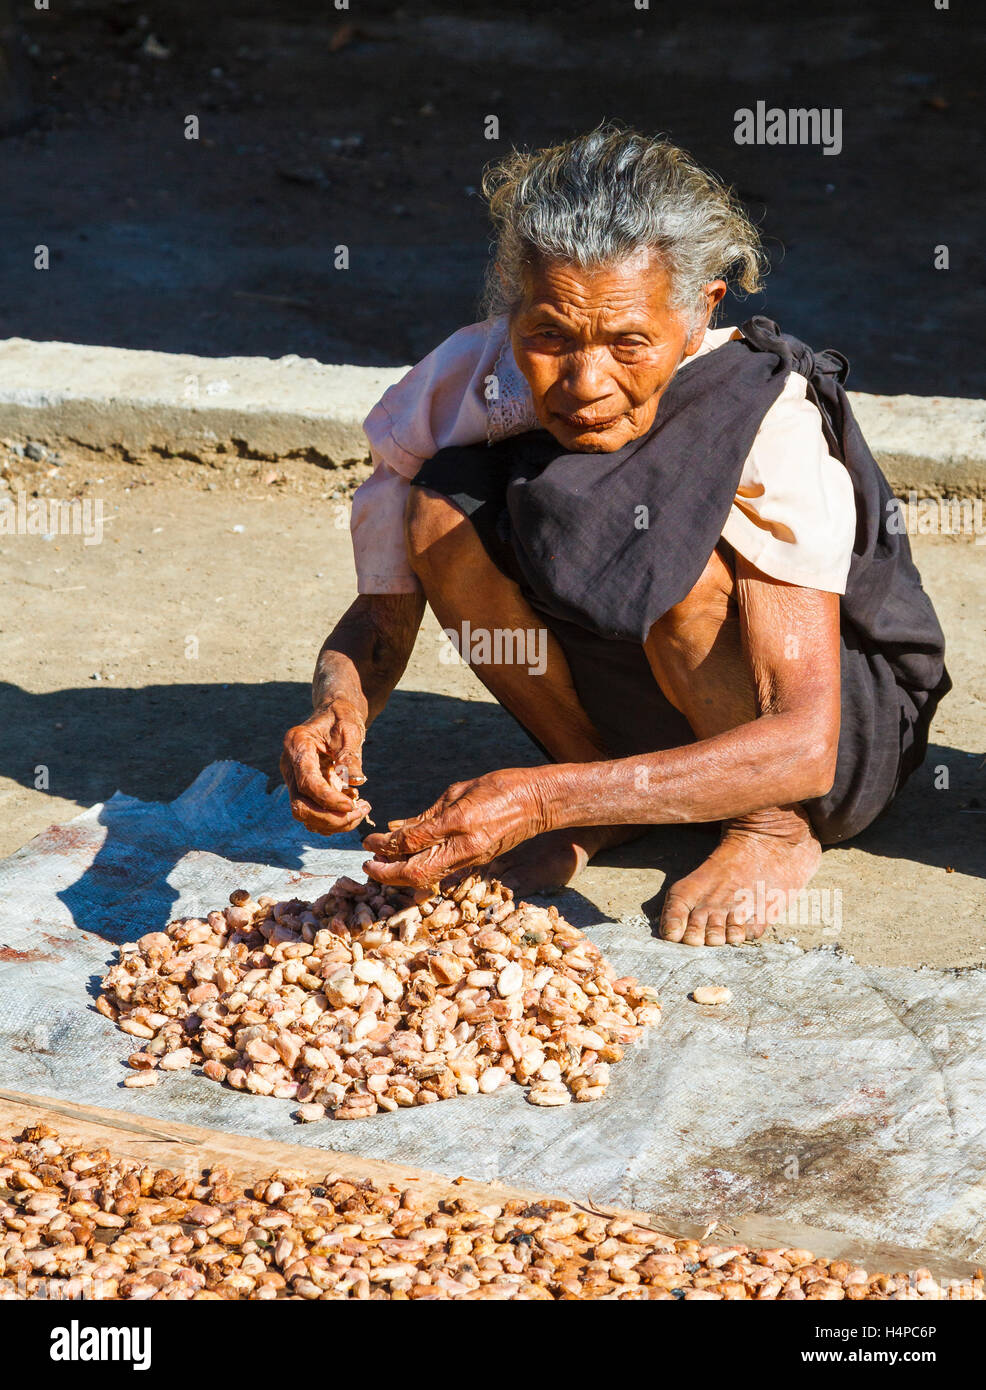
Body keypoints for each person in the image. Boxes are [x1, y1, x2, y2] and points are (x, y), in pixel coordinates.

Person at [281, 126, 949, 947]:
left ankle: (769, 829)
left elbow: (806, 742)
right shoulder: (465, 382)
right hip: (637, 713)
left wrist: (536, 798)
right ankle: (602, 801)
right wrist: (338, 711)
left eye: (628, 342)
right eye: (549, 337)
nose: (585, 383)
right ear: (512, 306)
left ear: (700, 305)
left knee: (669, 552)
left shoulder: (764, 419)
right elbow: (381, 619)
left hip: (821, 751)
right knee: (439, 509)